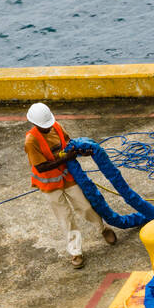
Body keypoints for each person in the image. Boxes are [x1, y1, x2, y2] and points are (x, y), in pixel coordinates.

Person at [25, 103, 117, 268]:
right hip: (50, 186)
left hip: (67, 177)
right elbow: (41, 167)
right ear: (35, 124)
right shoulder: (31, 141)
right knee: (65, 218)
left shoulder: (57, 127)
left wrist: (82, 151)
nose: (47, 128)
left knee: (86, 206)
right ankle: (76, 251)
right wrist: (66, 159)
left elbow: (69, 145)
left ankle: (103, 228)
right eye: (43, 127)